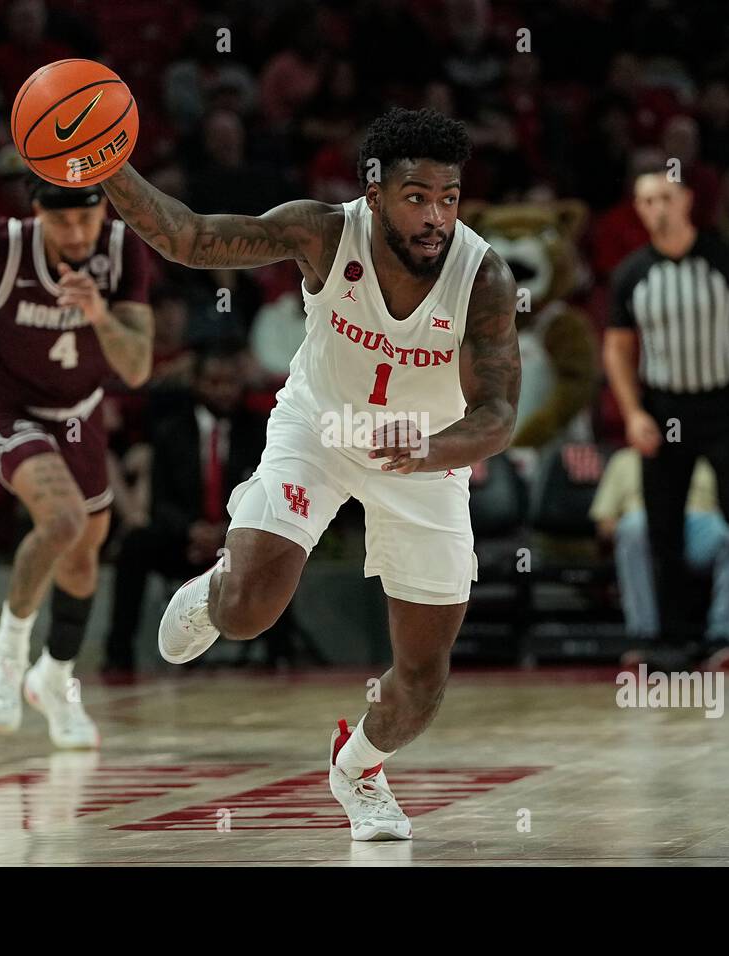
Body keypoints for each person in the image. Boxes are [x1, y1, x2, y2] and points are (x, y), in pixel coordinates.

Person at [100, 106, 520, 841]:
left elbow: (498, 416)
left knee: (422, 683)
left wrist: (428, 450)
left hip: (423, 453)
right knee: (249, 610)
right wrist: (105, 167)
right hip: (320, 427)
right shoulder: (322, 231)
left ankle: (356, 767)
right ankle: (218, 590)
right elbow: (190, 238)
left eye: (448, 198)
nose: (434, 217)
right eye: (416, 197)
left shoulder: (482, 276)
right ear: (375, 191)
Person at [0, 178, 154, 749]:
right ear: (37, 213)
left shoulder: (122, 250)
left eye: (85, 221)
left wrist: (97, 312)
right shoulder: (5, 241)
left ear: (103, 214)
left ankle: (55, 679)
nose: (74, 233)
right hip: (11, 409)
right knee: (62, 521)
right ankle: (7, 650)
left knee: (85, 555)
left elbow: (137, 367)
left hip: (80, 412)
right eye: (60, 221)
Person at [602, 166, 729, 671]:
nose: (656, 209)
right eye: (645, 201)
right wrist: (633, 412)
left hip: (723, 406)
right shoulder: (631, 273)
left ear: (686, 200)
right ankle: (673, 640)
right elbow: (617, 349)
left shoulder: (725, 260)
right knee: (662, 528)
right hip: (664, 407)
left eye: (664, 197)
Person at [103, 338, 266, 675]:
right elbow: (160, 502)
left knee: (277, 548)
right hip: (182, 540)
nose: (224, 391)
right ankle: (118, 656)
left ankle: (279, 655)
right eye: (214, 382)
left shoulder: (262, 432)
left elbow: (267, 495)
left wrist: (226, 532)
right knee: (135, 545)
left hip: (237, 541)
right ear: (196, 383)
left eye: (231, 383)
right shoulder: (171, 431)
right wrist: (191, 531)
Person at [590, 449, 729, 668]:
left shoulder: (705, 458)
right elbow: (604, 521)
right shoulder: (625, 460)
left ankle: (722, 638)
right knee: (630, 529)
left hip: (696, 526)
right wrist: (619, 536)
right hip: (645, 525)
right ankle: (645, 636)